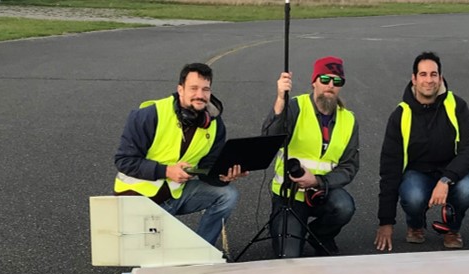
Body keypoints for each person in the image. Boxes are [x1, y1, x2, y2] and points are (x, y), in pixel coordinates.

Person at [114, 62, 246, 247]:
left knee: (227, 195)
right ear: (180, 89)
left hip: (175, 195)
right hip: (137, 199)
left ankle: (201, 251)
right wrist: (166, 171)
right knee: (154, 265)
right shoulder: (149, 115)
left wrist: (224, 176)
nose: (200, 95)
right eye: (193, 88)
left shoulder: (215, 125)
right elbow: (124, 161)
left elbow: (207, 170)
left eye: (205, 89)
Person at [374, 51, 469, 251]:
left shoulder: (457, 106)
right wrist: (385, 222)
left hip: (452, 172)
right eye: (423, 74)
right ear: (414, 79)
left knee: (466, 189)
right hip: (417, 174)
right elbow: (389, 170)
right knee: (413, 196)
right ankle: (415, 224)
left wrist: (446, 179)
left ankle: (453, 228)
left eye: (433, 74)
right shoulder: (400, 115)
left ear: (440, 78)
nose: (429, 80)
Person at [261, 56, 358, 257]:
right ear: (314, 81)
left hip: (322, 192)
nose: (330, 85)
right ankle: (286, 228)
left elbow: (349, 166)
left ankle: (319, 234)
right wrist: (280, 100)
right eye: (324, 79)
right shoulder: (295, 107)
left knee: (344, 207)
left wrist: (318, 181)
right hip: (289, 195)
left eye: (337, 81)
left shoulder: (349, 120)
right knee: (288, 257)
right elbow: (268, 139)